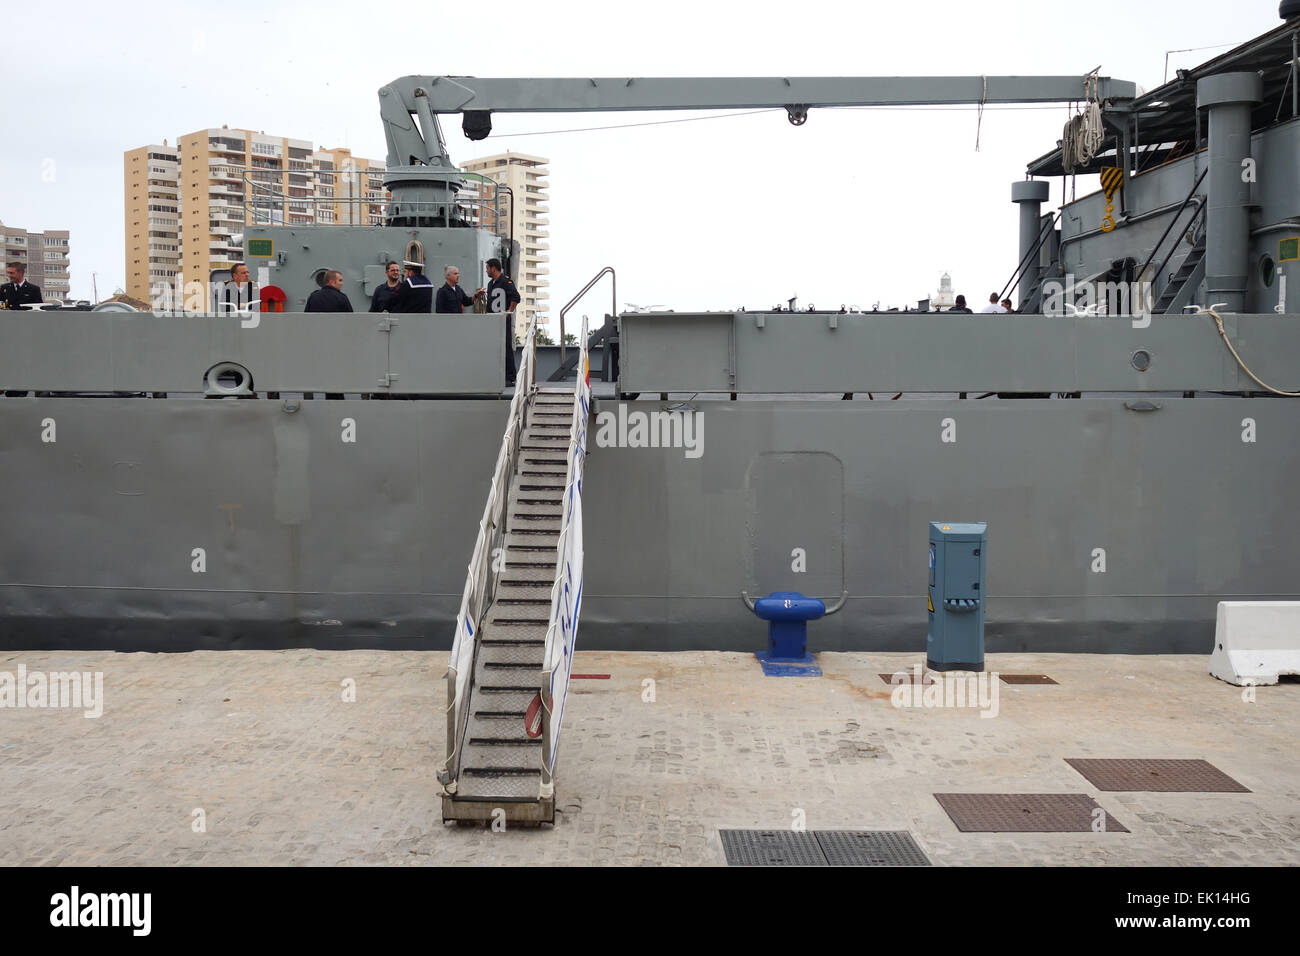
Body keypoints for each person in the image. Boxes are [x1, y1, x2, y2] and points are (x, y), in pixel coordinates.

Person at [481, 258, 521, 385]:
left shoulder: (506, 281)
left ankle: (510, 377)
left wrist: (508, 313)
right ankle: (496, 375)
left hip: (502, 321)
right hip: (492, 322)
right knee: (493, 347)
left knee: (506, 347)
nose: (486, 271)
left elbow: (516, 297)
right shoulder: (490, 284)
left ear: (494, 268)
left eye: (487, 268)